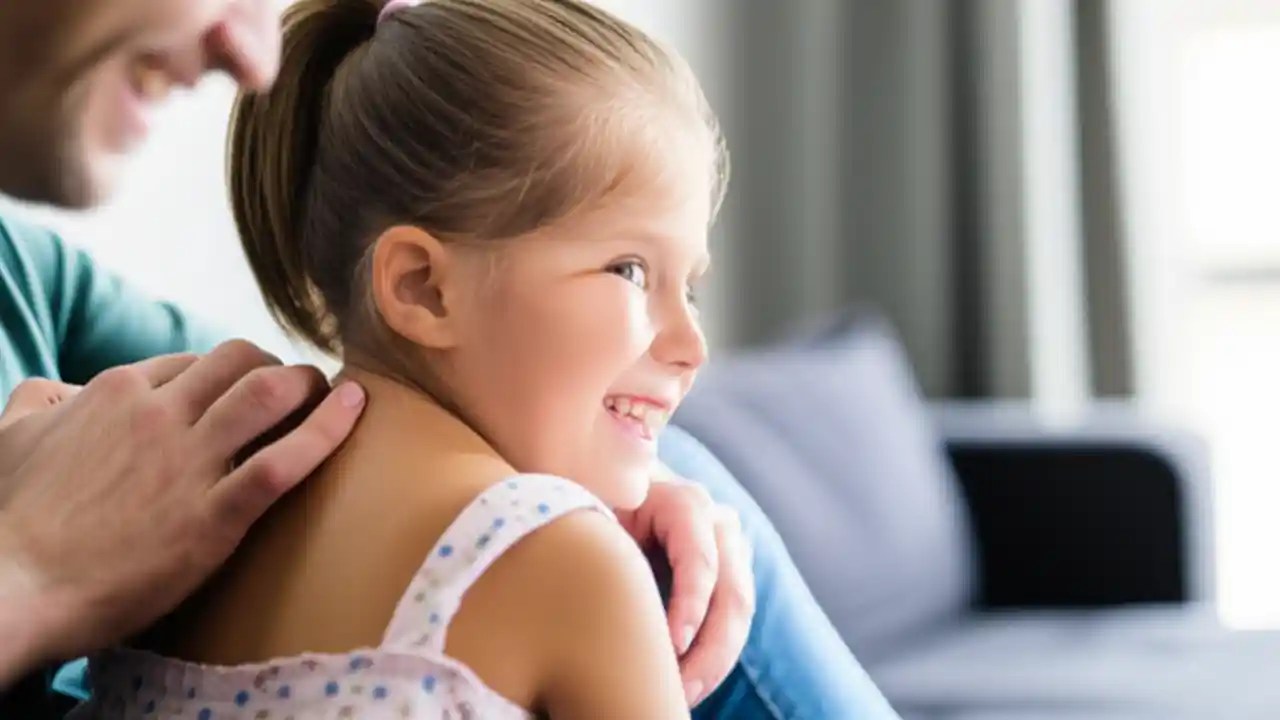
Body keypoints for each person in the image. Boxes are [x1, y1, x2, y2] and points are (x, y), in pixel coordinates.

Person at [0, 0, 900, 717]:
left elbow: (288, 403)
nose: (693, 346)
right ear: (422, 286)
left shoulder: (36, 289)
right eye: (630, 270)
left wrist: (618, 458)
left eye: (688, 287)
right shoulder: (571, 568)